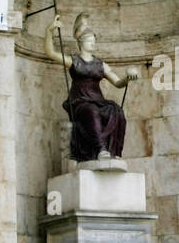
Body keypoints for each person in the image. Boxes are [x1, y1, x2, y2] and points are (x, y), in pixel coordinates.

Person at [43, 13, 138, 161]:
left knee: (116, 110)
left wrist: (127, 78)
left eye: (94, 41)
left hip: (97, 99)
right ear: (81, 42)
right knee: (91, 110)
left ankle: (116, 152)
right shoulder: (73, 61)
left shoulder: (100, 64)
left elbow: (118, 83)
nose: (93, 44)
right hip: (80, 101)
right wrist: (49, 32)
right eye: (90, 41)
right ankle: (101, 150)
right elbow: (51, 53)